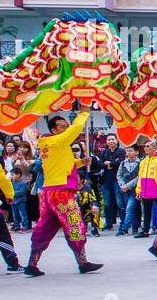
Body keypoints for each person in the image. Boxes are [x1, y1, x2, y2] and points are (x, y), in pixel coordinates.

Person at [25, 104, 103, 277]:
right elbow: (75, 129)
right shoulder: (57, 141)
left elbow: (61, 165)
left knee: (44, 228)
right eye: (62, 127)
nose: (65, 129)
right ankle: (82, 263)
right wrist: (84, 112)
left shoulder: (49, 144)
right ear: (53, 130)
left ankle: (32, 264)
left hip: (49, 192)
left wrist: (81, 162)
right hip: (61, 192)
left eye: (65, 126)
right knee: (74, 224)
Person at [97, 134, 126, 233]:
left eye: (113, 139)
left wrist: (109, 163)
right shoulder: (104, 152)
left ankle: (123, 224)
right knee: (107, 203)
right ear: (106, 142)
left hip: (117, 181)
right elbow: (100, 163)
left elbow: (120, 163)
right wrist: (111, 164)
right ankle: (108, 223)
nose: (111, 141)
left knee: (120, 203)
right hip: (106, 181)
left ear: (117, 141)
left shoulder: (121, 151)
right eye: (109, 140)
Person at [134, 140, 157, 238]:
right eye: (145, 146)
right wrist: (138, 190)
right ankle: (145, 230)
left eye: (148, 146)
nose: (146, 148)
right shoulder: (143, 161)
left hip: (156, 189)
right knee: (146, 211)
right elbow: (140, 177)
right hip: (145, 189)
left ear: (154, 147)